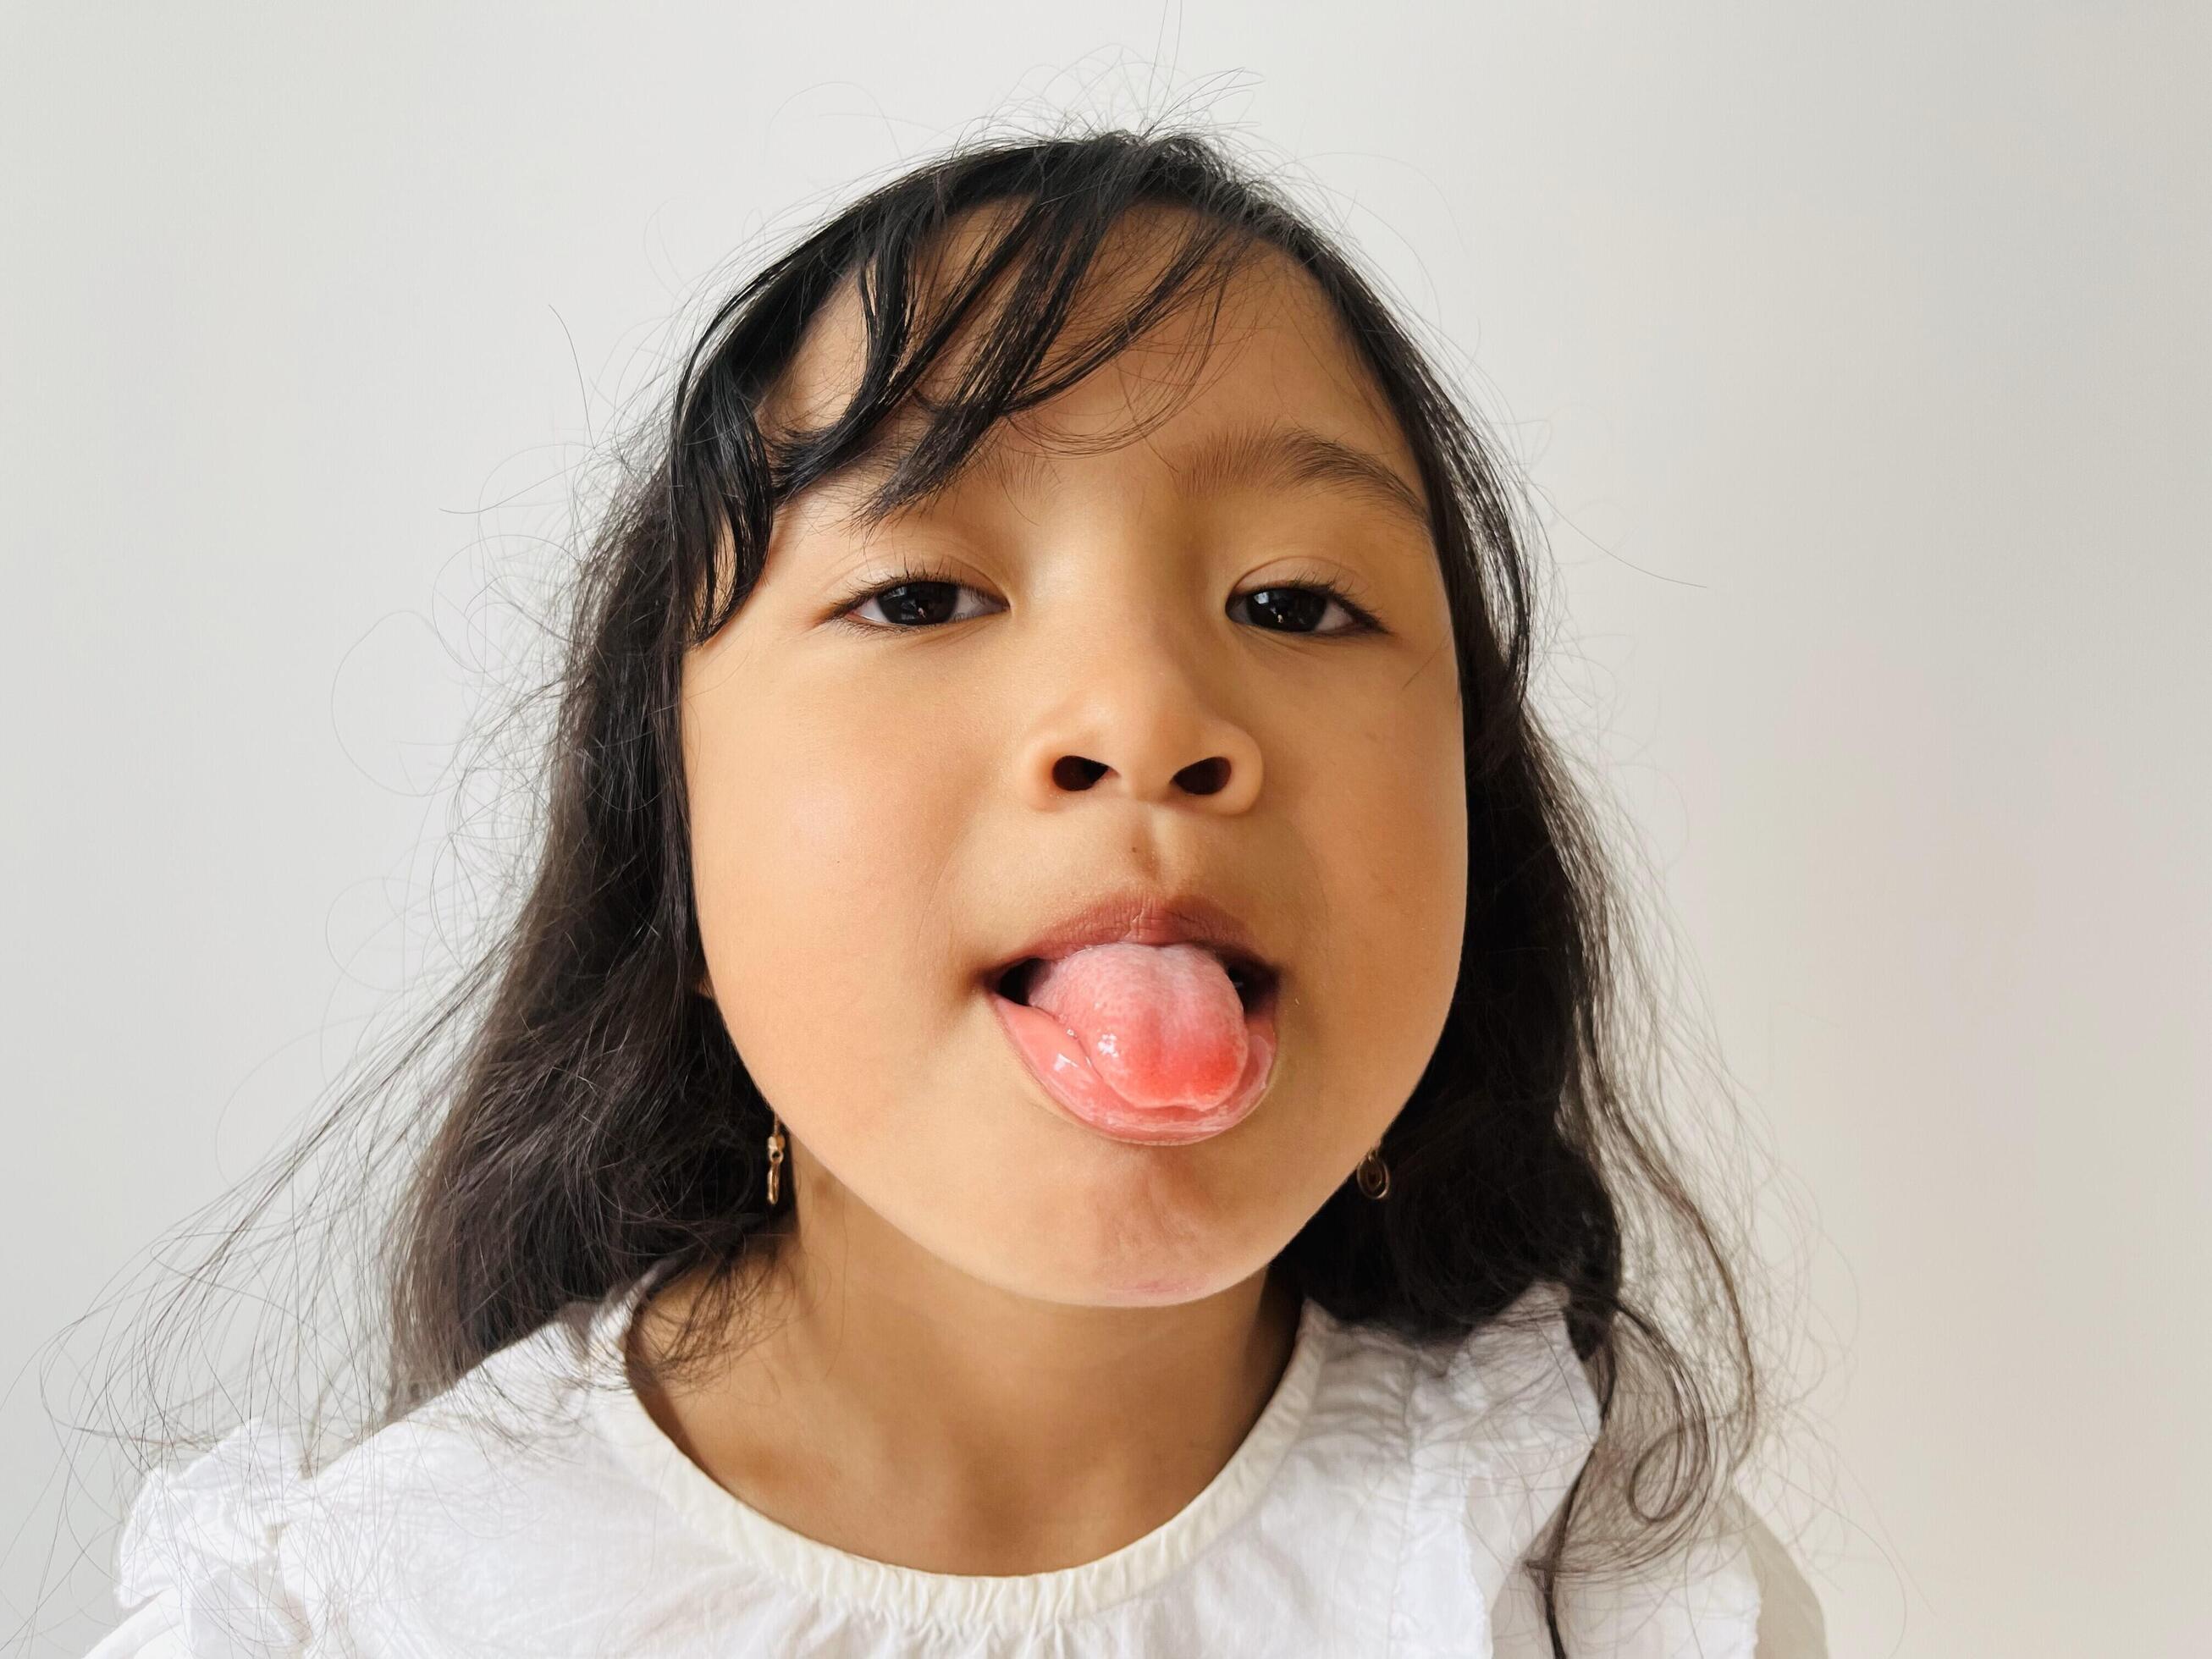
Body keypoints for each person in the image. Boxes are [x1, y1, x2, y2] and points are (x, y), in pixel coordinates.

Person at [88, 124, 1826, 1656]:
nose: (1147, 719)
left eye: (1295, 601)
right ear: (666, 835)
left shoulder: (1585, 1582)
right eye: (921, 594)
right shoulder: (351, 1619)